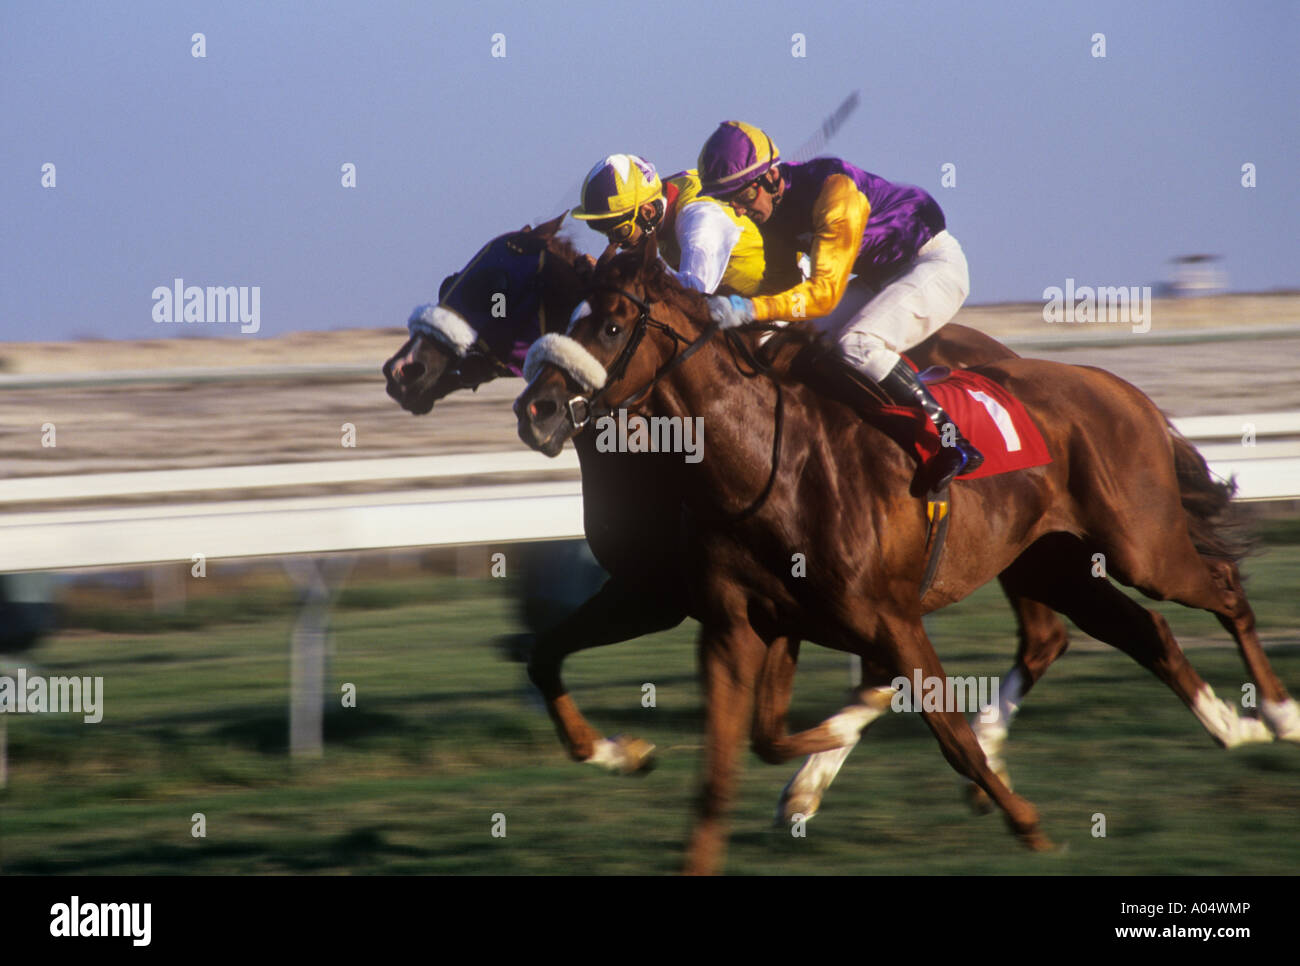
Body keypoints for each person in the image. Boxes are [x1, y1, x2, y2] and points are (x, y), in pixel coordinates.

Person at [696, 121, 983, 491]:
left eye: (742, 196)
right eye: (727, 201)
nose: (737, 210)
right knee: (787, 345)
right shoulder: (770, 213)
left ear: (769, 178)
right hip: (877, 280)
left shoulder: (835, 191)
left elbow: (824, 294)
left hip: (930, 264)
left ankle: (954, 443)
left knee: (858, 344)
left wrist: (751, 310)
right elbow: (784, 289)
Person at [570, 153, 770, 296]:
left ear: (648, 212)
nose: (614, 243)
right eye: (602, 230)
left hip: (779, 310)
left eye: (620, 231)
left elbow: (693, 293)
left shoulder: (700, 219)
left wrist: (620, 276)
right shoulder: (659, 195)